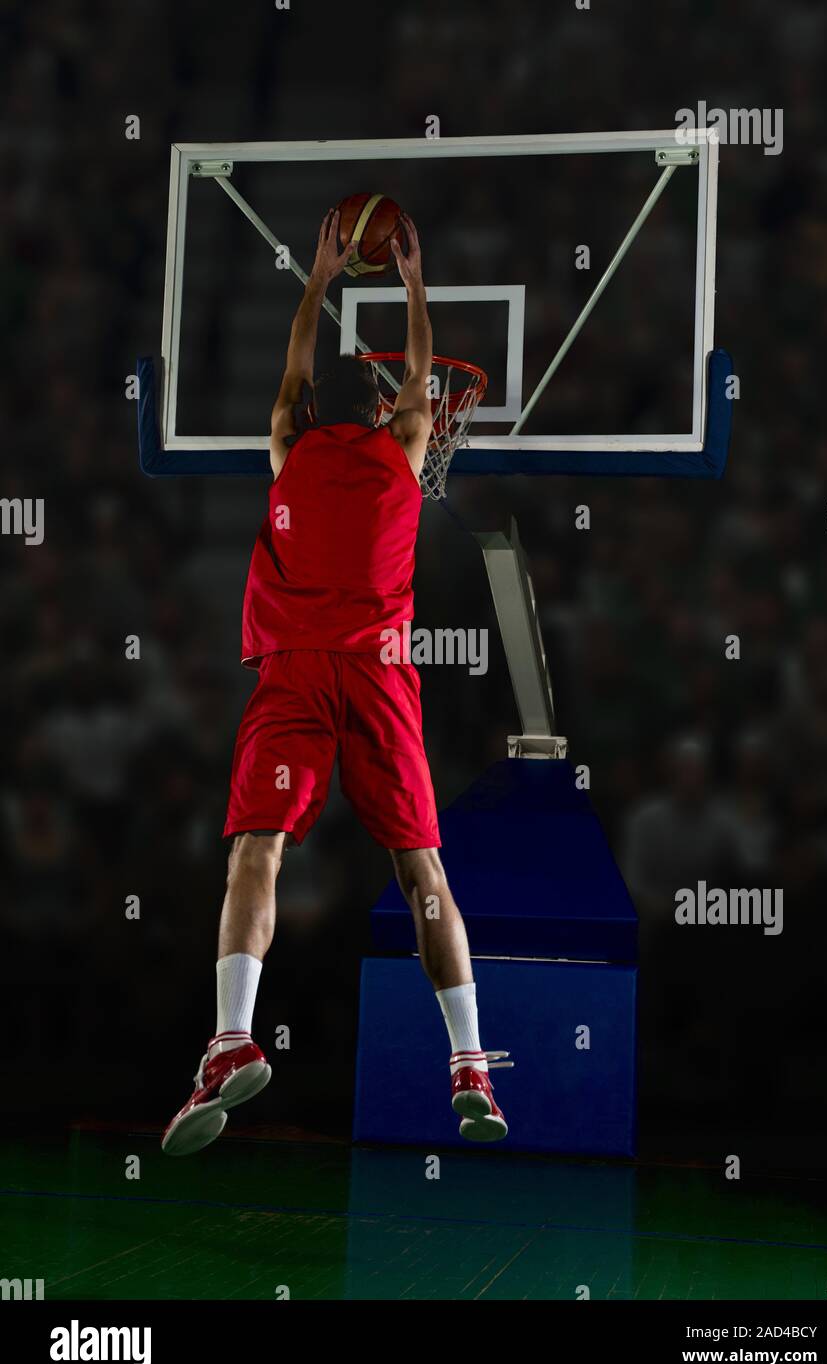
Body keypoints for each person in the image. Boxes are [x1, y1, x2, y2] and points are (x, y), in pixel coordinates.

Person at [162, 210, 509, 1156]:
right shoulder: (404, 448)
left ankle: (232, 1038)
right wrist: (412, 284)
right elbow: (416, 377)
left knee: (254, 853)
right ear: (412, 413)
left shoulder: (288, 444)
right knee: (420, 872)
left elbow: (296, 368)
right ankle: (469, 1062)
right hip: (378, 679)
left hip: (298, 676)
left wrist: (318, 282)